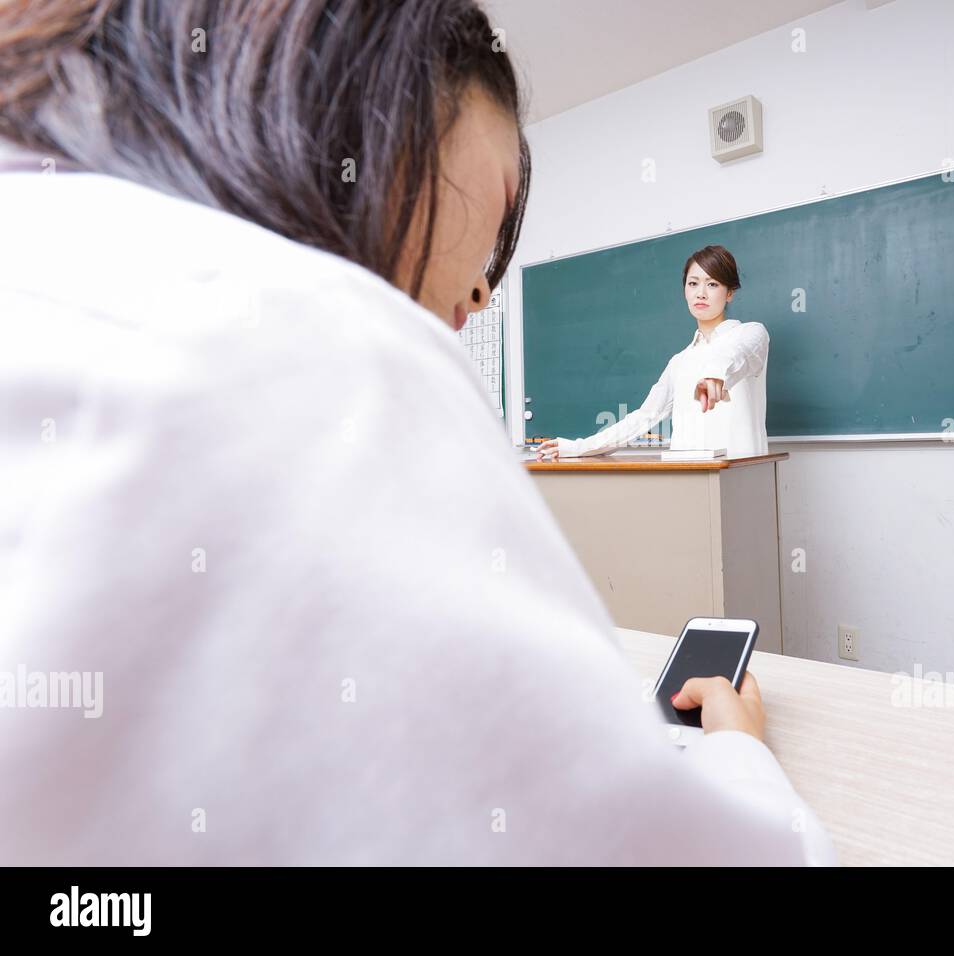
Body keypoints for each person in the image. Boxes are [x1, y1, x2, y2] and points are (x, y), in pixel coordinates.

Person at [0, 0, 835, 865]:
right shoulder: (333, 343)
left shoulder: (747, 337)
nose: (480, 295)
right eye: (494, 219)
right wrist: (738, 747)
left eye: (708, 283)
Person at [535, 245, 770, 460]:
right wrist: (577, 448)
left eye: (712, 284)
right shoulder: (680, 361)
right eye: (693, 283)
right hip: (687, 481)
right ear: (684, 290)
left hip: (741, 482)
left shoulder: (752, 334)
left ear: (729, 293)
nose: (701, 293)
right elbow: (644, 418)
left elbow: (736, 354)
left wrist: (715, 374)